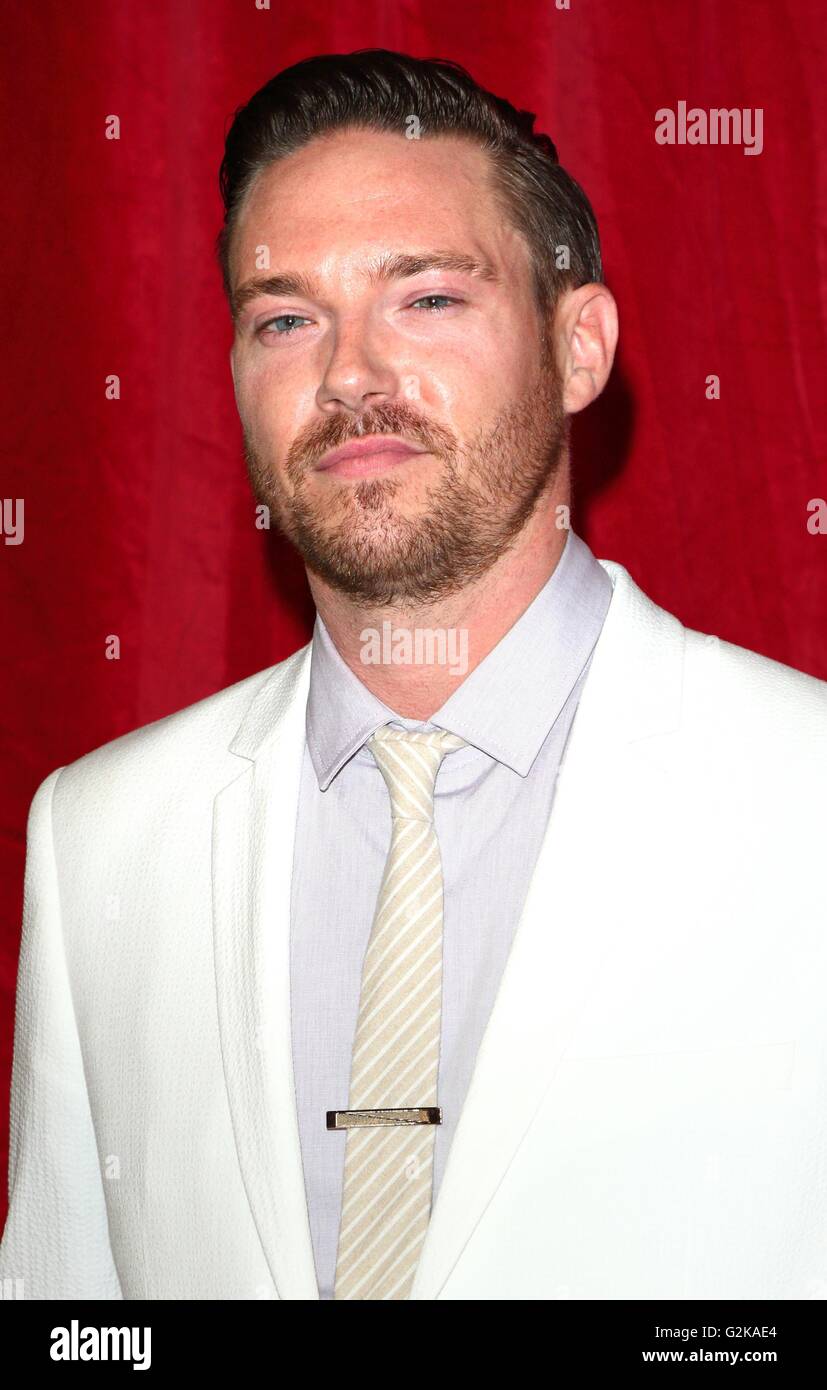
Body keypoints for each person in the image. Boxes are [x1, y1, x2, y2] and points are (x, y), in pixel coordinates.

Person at [1, 49, 825, 1302]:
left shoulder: (798, 796)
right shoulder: (100, 836)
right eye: (285, 317)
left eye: (426, 298)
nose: (346, 375)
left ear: (580, 345)